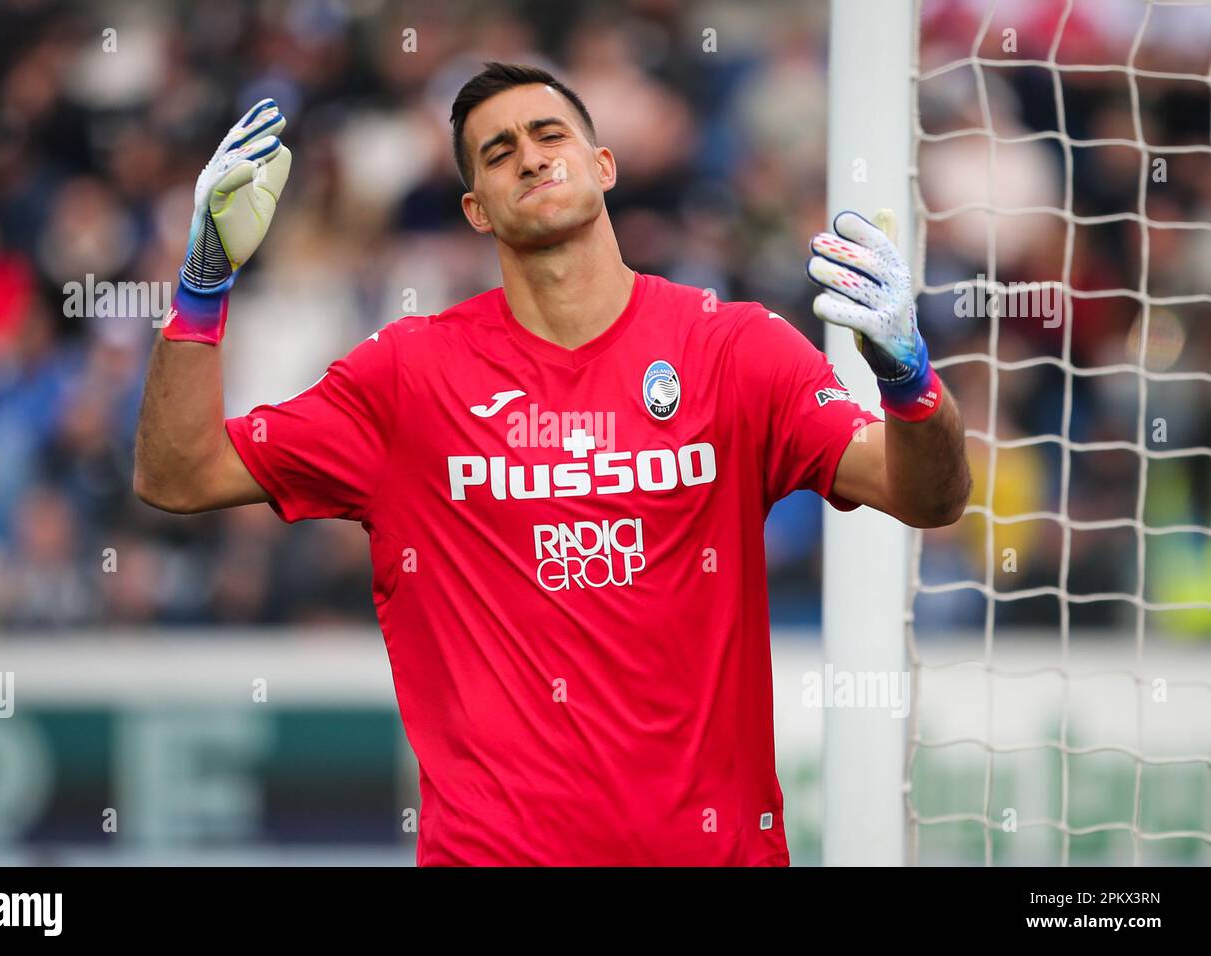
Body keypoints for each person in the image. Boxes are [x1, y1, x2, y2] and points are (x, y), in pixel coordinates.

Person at [133, 62, 970, 866]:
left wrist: (909, 380)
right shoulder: (408, 377)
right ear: (476, 210)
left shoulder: (735, 348)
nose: (530, 155)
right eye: (498, 153)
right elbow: (179, 475)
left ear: (603, 166)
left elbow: (927, 497)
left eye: (549, 135)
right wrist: (203, 284)